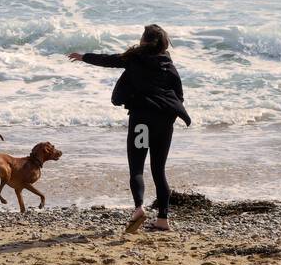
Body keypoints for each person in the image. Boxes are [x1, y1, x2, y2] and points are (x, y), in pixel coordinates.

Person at [68, 24, 190, 233]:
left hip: (141, 121)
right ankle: (162, 219)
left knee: (137, 167)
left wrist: (83, 57)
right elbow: (179, 95)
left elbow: (108, 60)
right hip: (163, 123)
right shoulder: (168, 64)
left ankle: (139, 208)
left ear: (143, 40)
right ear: (164, 43)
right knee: (158, 170)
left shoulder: (133, 58)